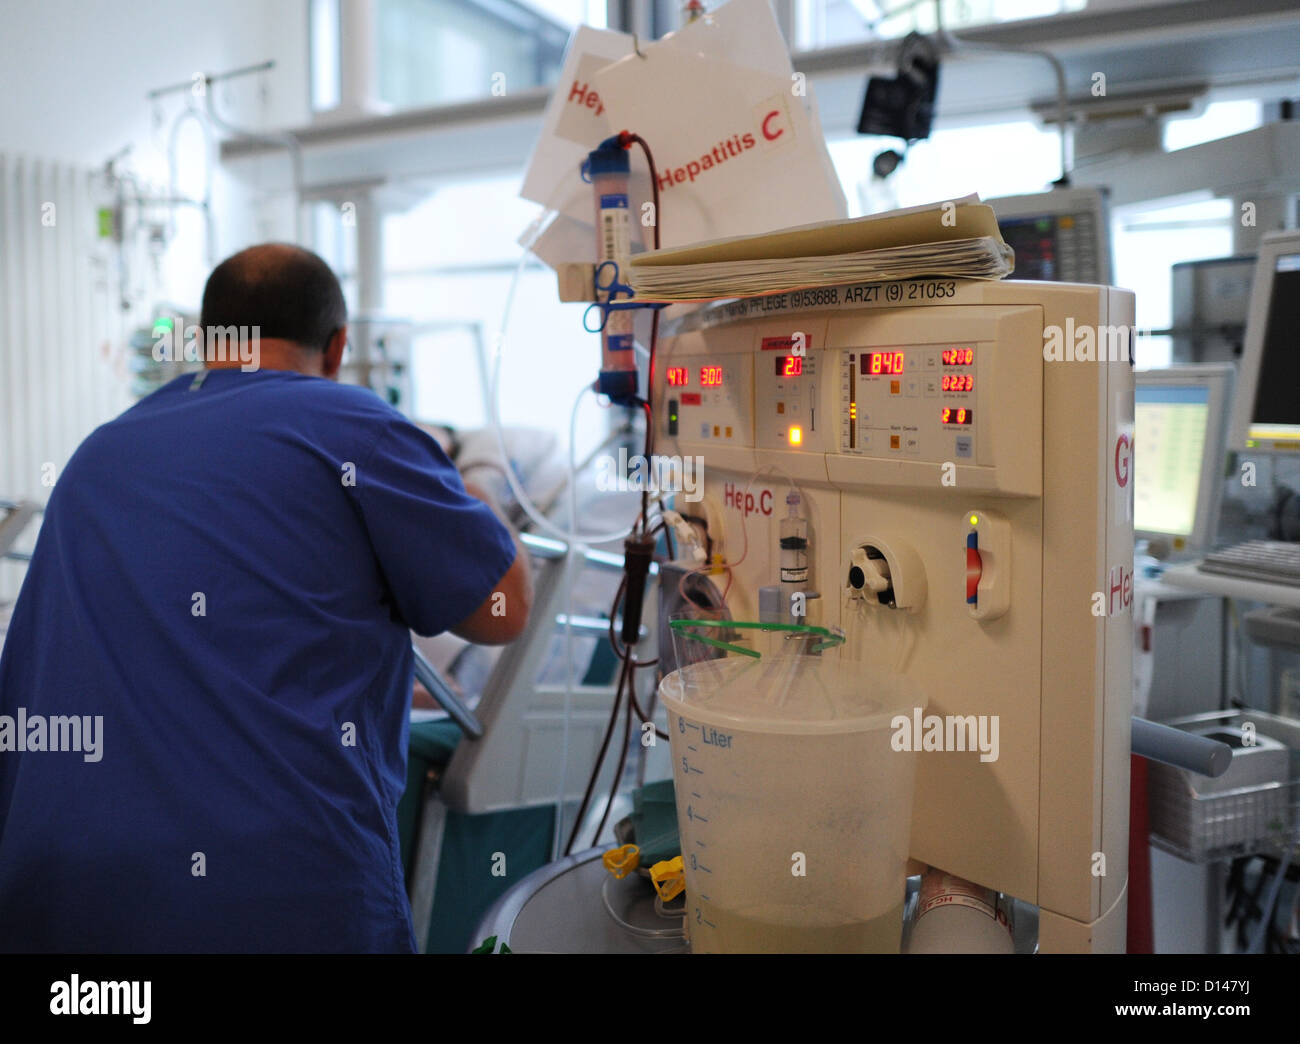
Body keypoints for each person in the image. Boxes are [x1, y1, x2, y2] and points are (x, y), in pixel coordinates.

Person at [0, 243, 531, 953]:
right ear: (337, 346)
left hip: (59, 887)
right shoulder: (356, 426)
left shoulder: (99, 452)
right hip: (275, 891)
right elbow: (504, 609)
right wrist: (481, 487)